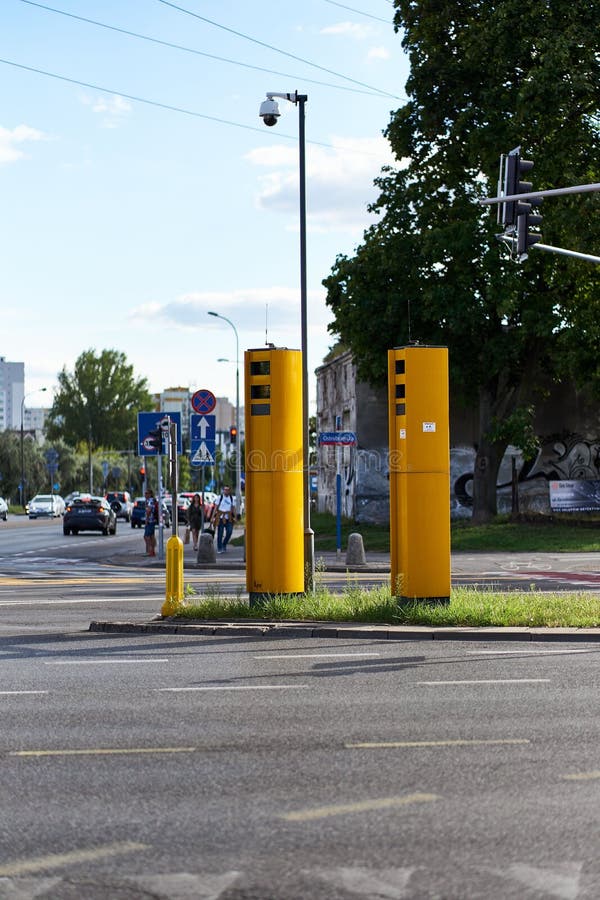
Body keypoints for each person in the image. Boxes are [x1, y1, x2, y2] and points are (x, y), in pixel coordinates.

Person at [212, 485, 236, 554]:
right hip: (221, 517)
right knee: (220, 533)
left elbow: (233, 508)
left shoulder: (231, 498)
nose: (226, 491)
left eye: (227, 490)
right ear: (223, 490)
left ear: (229, 491)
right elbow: (215, 508)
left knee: (229, 532)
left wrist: (235, 517)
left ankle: (224, 544)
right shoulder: (220, 497)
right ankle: (220, 548)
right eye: (225, 490)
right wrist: (212, 517)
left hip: (229, 518)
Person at [144, 488, 159, 557]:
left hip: (150, 521)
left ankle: (151, 551)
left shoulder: (150, 501)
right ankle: (152, 551)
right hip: (153, 520)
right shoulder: (153, 500)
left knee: (146, 536)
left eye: (146, 493)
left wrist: (146, 520)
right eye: (145, 493)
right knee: (151, 536)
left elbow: (148, 511)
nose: (145, 495)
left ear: (150, 494)